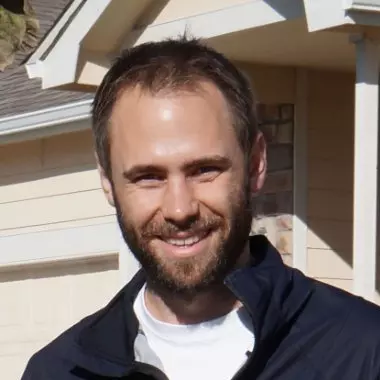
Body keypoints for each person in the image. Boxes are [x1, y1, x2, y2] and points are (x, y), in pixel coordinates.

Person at [21, 36, 380, 380]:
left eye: (204, 170)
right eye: (148, 176)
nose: (180, 209)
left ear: (255, 165)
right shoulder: (59, 371)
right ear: (108, 183)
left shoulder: (364, 351)